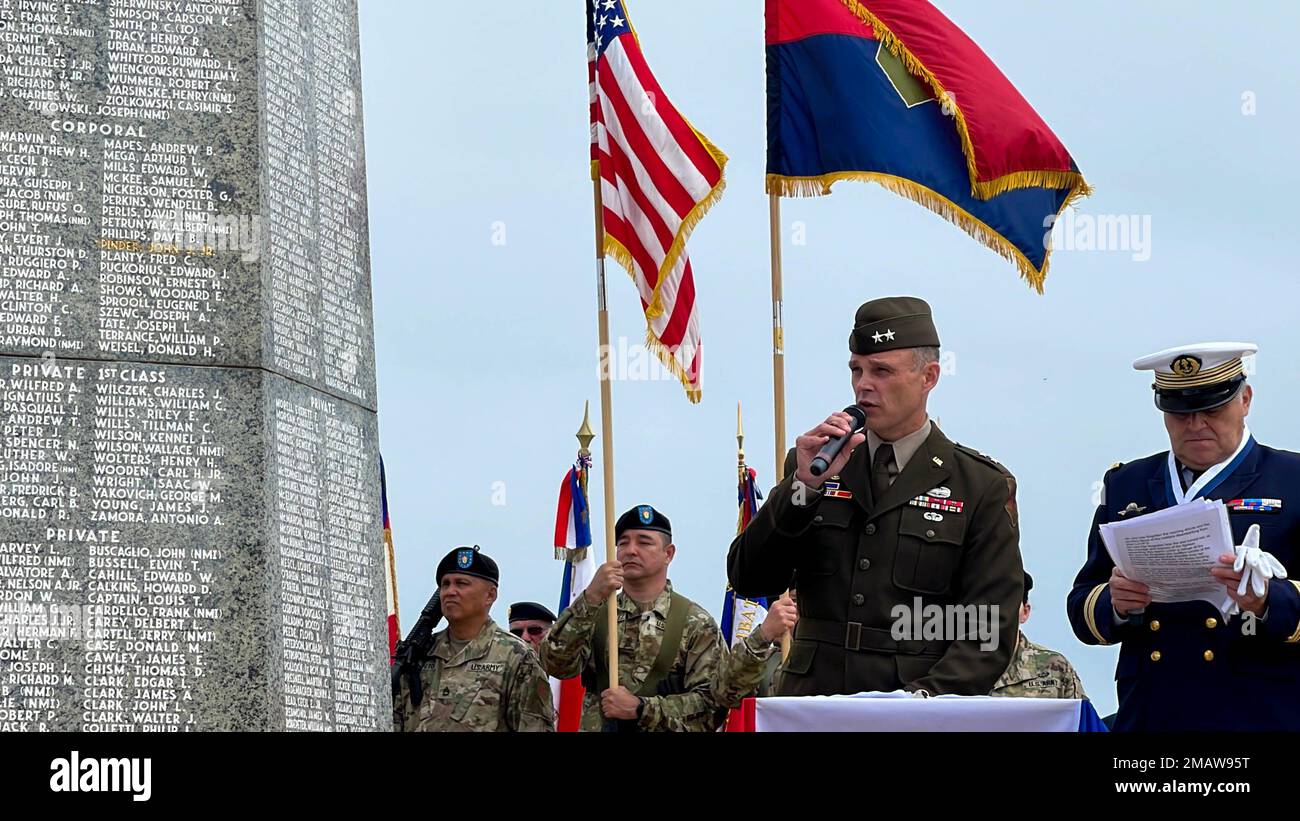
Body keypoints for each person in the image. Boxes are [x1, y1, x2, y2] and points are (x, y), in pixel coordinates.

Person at [728, 296, 1023, 696]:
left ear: (929, 377)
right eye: (857, 370)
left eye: (882, 371)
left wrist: (922, 701)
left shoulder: (980, 486)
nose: (864, 385)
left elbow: (987, 632)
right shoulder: (817, 464)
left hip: (915, 708)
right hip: (815, 703)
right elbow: (750, 578)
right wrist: (804, 488)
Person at [1067, 342, 1300, 731]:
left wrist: (1265, 599)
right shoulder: (1128, 484)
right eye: (1179, 412)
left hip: (1258, 712)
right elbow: (1081, 606)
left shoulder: (1291, 480)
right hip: (1154, 710)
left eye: (1212, 408)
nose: (1195, 424)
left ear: (1245, 399)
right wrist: (1116, 602)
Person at [540, 505, 727, 731]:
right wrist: (589, 598)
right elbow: (555, 663)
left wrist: (642, 708)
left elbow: (713, 705)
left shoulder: (694, 622)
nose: (631, 550)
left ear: (668, 553)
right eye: (623, 542)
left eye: (644, 542)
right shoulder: (596, 614)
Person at [392, 547, 554, 732]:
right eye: (445, 584)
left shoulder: (516, 657)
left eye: (461, 583)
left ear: (490, 595)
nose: (450, 591)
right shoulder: (418, 654)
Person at [992, 572, 1085, 698]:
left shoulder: (1055, 667)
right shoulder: (958, 667)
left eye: (1009, 601)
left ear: (1025, 612)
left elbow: (1081, 716)